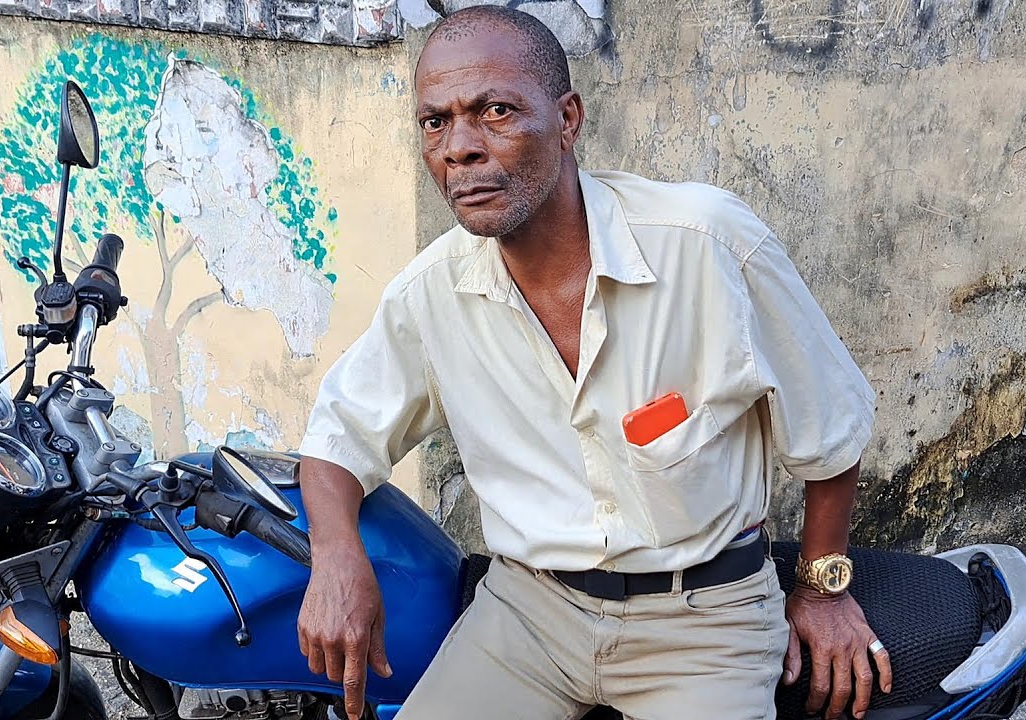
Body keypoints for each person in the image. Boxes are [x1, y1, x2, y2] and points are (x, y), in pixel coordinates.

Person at [294, 6, 892, 720]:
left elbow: (830, 428)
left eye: (495, 110)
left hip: (703, 619)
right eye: (436, 123)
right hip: (528, 611)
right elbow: (338, 438)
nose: (461, 148)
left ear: (568, 118)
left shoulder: (707, 244)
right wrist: (334, 556)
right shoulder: (430, 294)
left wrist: (824, 589)